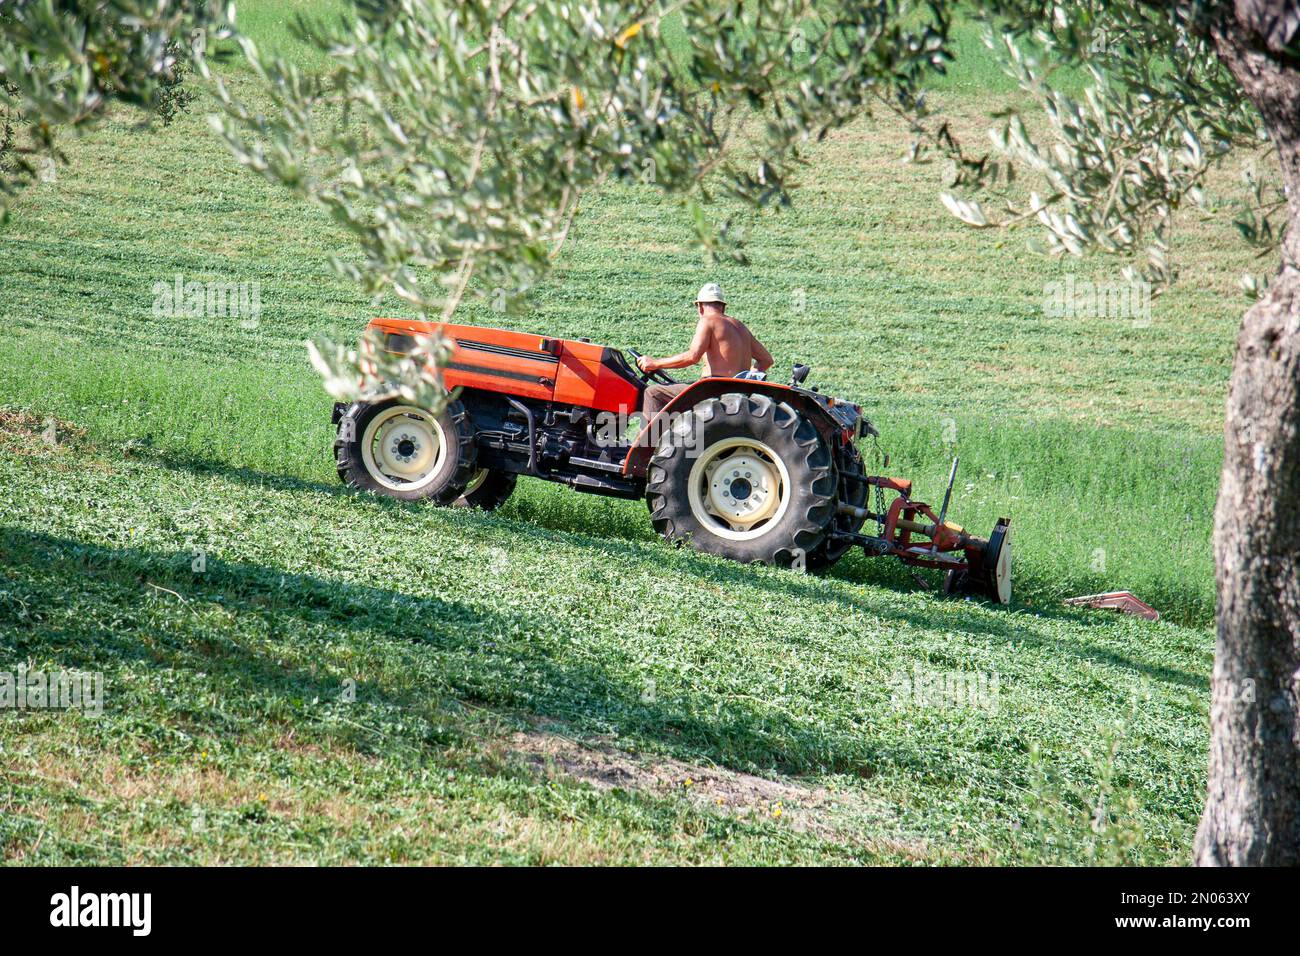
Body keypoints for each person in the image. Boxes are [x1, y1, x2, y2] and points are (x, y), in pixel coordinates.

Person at [636, 282, 773, 421]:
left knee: (653, 393)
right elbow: (767, 360)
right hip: (736, 390)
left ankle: (650, 441)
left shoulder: (707, 321)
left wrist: (654, 363)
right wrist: (748, 375)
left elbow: (692, 356)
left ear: (700, 307)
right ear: (723, 306)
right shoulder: (740, 326)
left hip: (713, 389)